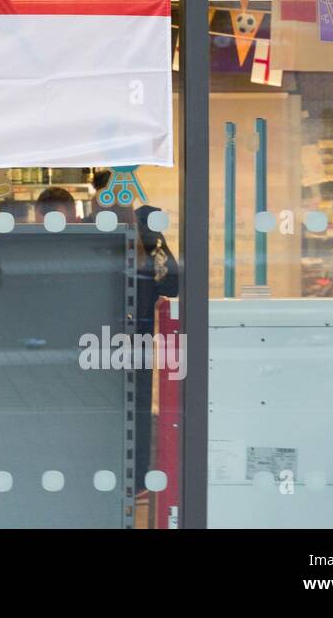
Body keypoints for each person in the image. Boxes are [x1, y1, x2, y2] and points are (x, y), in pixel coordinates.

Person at [132, 204, 179, 495]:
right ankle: (136, 480)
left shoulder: (143, 232)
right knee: (136, 405)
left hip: (100, 339)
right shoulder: (148, 234)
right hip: (137, 336)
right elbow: (172, 282)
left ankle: (134, 479)